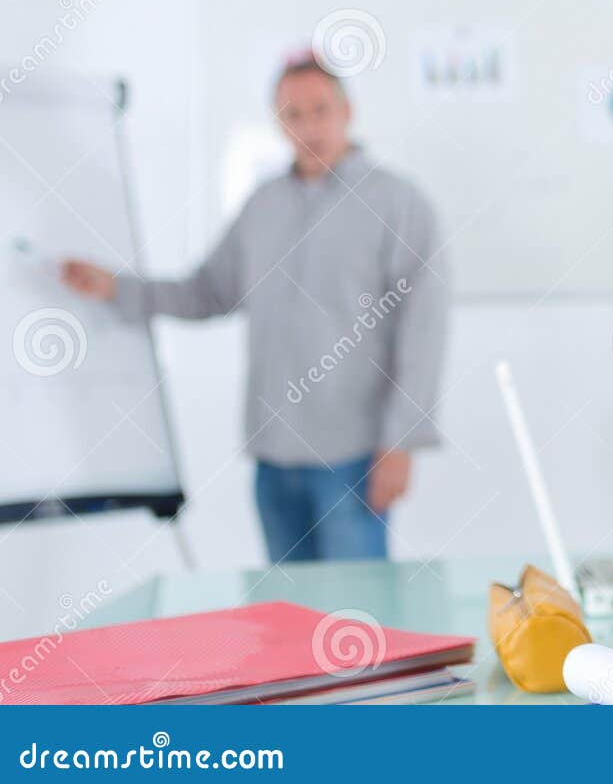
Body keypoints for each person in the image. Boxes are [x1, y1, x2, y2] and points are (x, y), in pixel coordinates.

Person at [61, 54, 449, 563]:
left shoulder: (399, 203)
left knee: (357, 622)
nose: (309, 126)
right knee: (289, 624)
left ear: (347, 111)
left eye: (320, 109)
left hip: (353, 459)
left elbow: (423, 328)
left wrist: (401, 441)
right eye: (293, 114)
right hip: (273, 457)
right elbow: (208, 292)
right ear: (278, 122)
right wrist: (117, 288)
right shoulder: (263, 204)